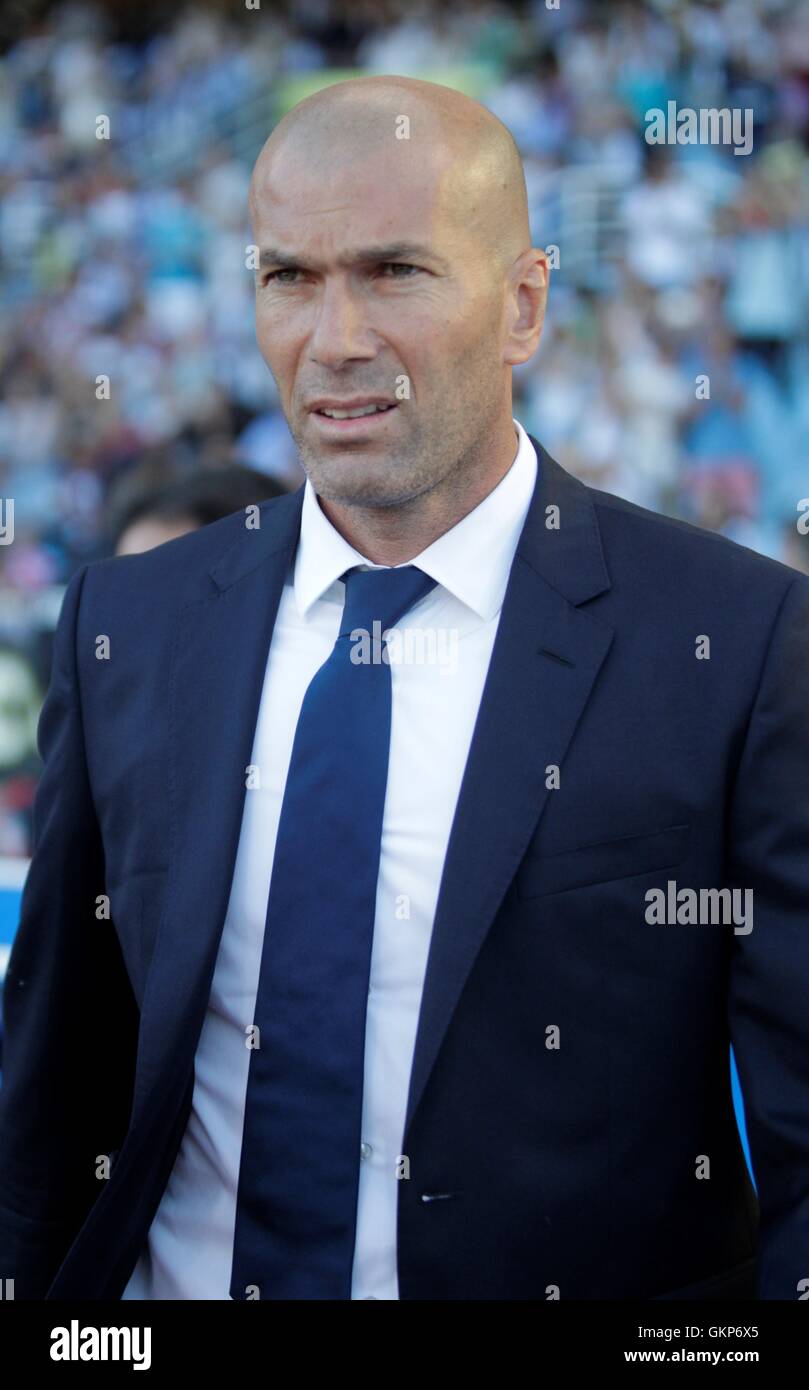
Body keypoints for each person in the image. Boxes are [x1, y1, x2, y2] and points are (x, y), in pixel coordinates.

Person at [1, 75, 807, 1302]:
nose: (335, 338)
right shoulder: (129, 625)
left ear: (523, 304)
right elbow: (51, 1100)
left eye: (394, 272)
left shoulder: (734, 642)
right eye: (289, 276)